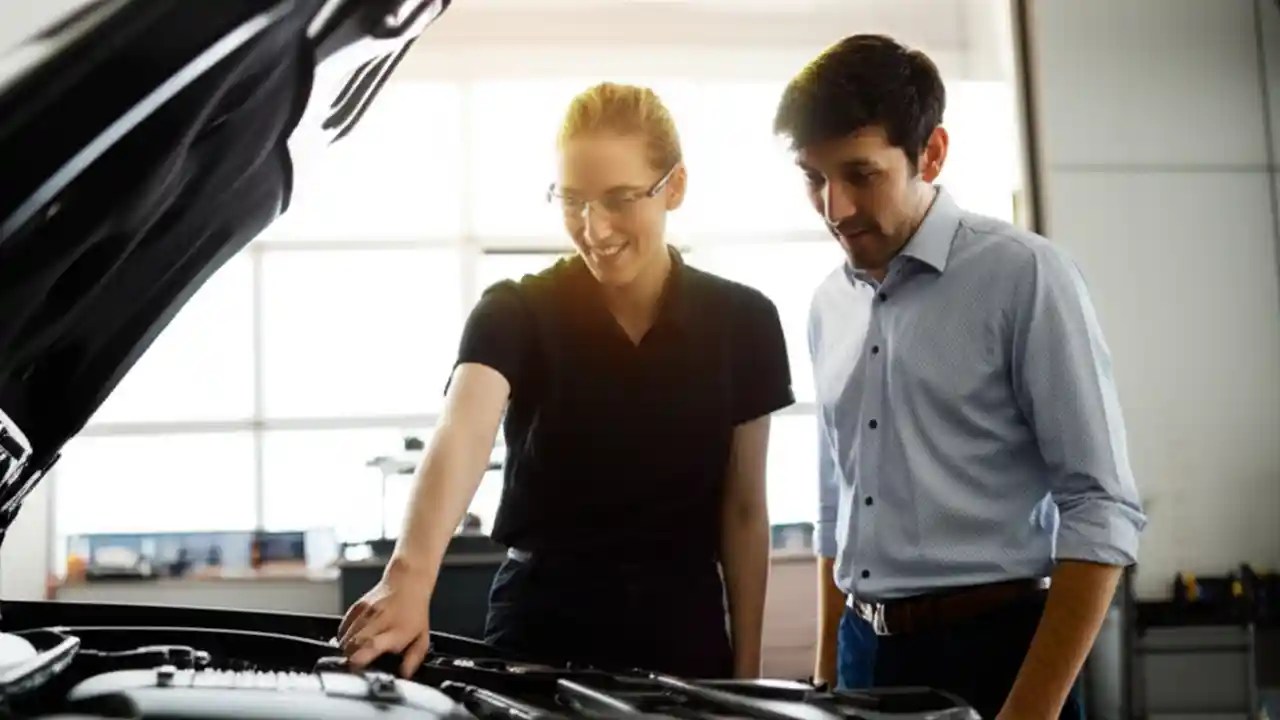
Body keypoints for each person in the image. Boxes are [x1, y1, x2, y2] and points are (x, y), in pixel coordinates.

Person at [337, 81, 794, 680]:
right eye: (572, 200)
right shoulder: (514, 311)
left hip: (683, 637)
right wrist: (409, 576)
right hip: (541, 633)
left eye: (620, 198)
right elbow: (464, 432)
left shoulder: (745, 321)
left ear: (674, 186)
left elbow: (743, 510)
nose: (594, 228)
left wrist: (748, 677)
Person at [778, 35, 1147, 719]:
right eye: (813, 178)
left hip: (996, 655)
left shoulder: (1025, 276)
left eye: (860, 175)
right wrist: (829, 678)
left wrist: (1028, 711)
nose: (835, 208)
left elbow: (1103, 508)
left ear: (932, 153)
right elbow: (840, 509)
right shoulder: (829, 303)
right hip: (863, 654)